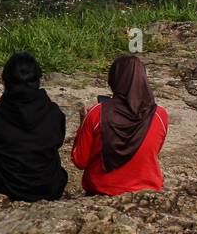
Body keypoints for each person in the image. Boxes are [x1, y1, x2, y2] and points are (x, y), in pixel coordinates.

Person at [0, 51, 68, 201]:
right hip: (50, 190)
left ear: (6, 82)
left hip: (5, 190)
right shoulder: (53, 112)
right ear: (38, 80)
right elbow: (58, 142)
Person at [72, 55, 168, 196]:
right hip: (147, 192)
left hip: (102, 190)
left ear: (113, 81)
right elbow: (152, 151)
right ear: (143, 80)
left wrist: (83, 124)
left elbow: (80, 161)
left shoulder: (96, 113)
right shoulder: (160, 115)